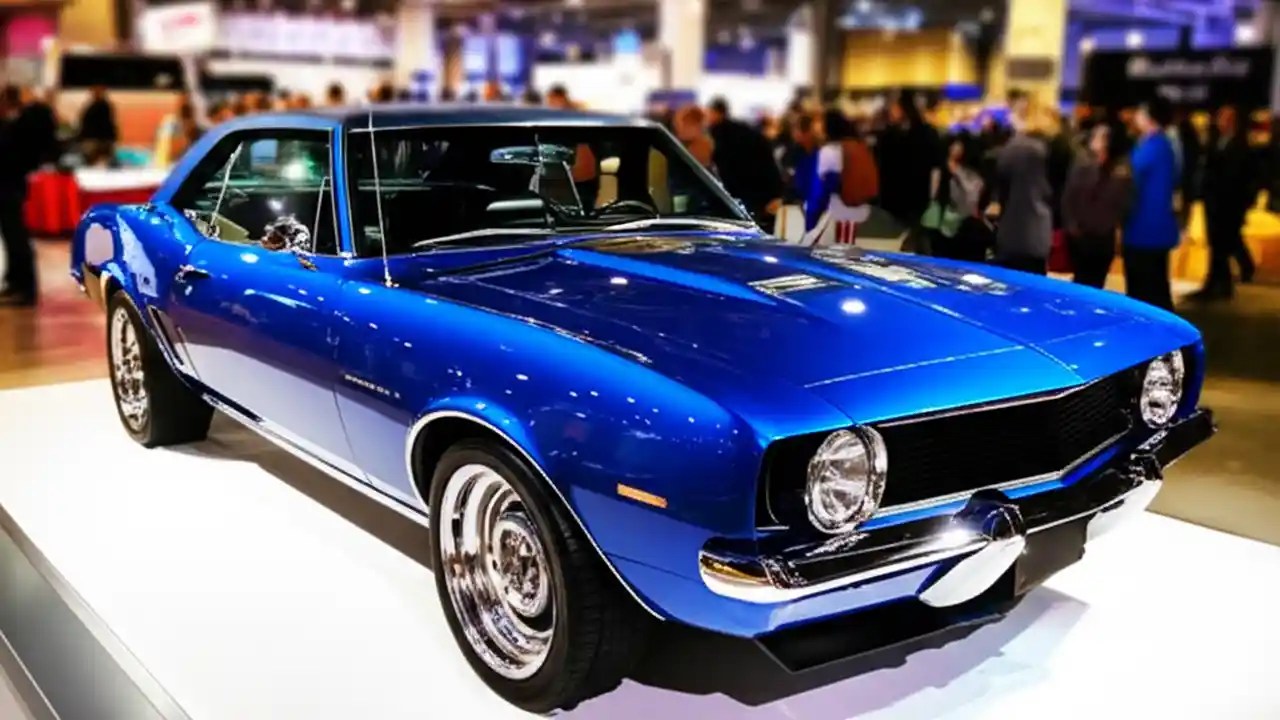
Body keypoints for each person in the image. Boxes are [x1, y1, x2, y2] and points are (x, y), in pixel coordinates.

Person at [1193, 105, 1257, 301]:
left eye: (1226, 119)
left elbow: (1241, 177)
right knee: (1219, 245)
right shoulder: (1216, 141)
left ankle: (1217, 284)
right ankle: (1222, 284)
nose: (1221, 122)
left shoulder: (1240, 145)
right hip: (1214, 202)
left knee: (1224, 244)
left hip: (1229, 204)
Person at [1122, 98, 1180, 311]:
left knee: (1145, 290)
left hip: (1144, 228)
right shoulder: (1163, 144)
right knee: (1156, 286)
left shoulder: (1152, 147)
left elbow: (1130, 178)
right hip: (1156, 228)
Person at [1062, 124, 1129, 288]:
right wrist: (1072, 227)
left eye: (1102, 137)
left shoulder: (1120, 171)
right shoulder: (1081, 164)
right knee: (1081, 282)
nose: (1096, 140)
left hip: (1103, 238)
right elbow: (1069, 198)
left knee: (1096, 283)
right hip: (1081, 237)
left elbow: (1122, 204)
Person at [802, 109, 879, 246]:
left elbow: (819, 192)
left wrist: (810, 224)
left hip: (836, 216)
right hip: (861, 216)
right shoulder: (860, 148)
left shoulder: (828, 152)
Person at [992, 106, 1054, 274]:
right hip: (1038, 232)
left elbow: (1001, 190)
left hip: (1010, 232)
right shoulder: (1049, 150)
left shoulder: (1008, 151)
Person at [706, 97, 783, 229]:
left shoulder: (718, 135)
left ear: (715, 112)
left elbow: (723, 167)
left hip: (736, 194)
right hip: (760, 192)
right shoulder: (748, 131)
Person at [876, 92, 940, 228]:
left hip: (895, 198)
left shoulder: (889, 136)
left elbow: (882, 166)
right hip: (918, 196)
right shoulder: (927, 133)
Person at [0, 85, 38, 306]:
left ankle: (25, 288)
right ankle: (13, 281)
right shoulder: (11, 125)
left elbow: (15, 157)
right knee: (10, 238)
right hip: (7, 187)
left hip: (10, 189)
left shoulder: (19, 125)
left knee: (17, 239)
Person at [926, 134, 988, 262]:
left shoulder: (971, 174)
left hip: (964, 227)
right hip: (943, 225)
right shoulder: (940, 171)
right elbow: (933, 195)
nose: (956, 148)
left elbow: (971, 197)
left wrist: (957, 174)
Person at [78, 85, 118, 166]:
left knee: (91, 163)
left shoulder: (93, 107)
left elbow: (85, 121)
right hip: (102, 139)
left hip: (94, 139)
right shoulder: (106, 106)